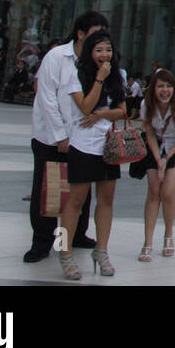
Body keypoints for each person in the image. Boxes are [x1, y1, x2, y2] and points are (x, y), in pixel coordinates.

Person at [23, 11, 107, 264]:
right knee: (48, 190)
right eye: (95, 34)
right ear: (80, 34)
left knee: (82, 188)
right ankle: (41, 242)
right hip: (51, 137)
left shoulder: (98, 61)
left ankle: (77, 234)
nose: (101, 41)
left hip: (85, 137)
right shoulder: (57, 56)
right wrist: (60, 135)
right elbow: (47, 98)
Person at [56, 30, 126, 280]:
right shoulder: (77, 75)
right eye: (99, 50)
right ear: (90, 53)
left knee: (106, 200)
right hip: (83, 145)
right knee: (75, 201)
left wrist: (101, 115)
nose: (104, 55)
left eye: (108, 50)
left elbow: (122, 111)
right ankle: (65, 253)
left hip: (108, 146)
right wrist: (99, 79)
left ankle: (102, 251)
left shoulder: (117, 76)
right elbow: (85, 106)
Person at [133, 69, 175, 262]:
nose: (164, 90)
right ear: (153, 89)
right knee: (154, 191)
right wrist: (158, 159)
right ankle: (147, 242)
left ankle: (168, 234)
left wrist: (167, 157)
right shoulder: (146, 105)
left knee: (167, 192)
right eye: (160, 86)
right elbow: (148, 132)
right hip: (155, 146)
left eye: (168, 86)